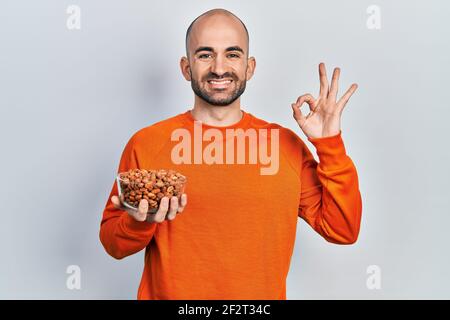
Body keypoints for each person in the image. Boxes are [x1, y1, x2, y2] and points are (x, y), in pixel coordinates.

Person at [99, 8, 362, 300]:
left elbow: (342, 229)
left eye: (232, 54)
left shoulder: (284, 146)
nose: (219, 67)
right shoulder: (147, 144)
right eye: (205, 54)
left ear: (250, 67)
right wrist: (141, 221)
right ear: (186, 68)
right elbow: (113, 244)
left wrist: (330, 145)